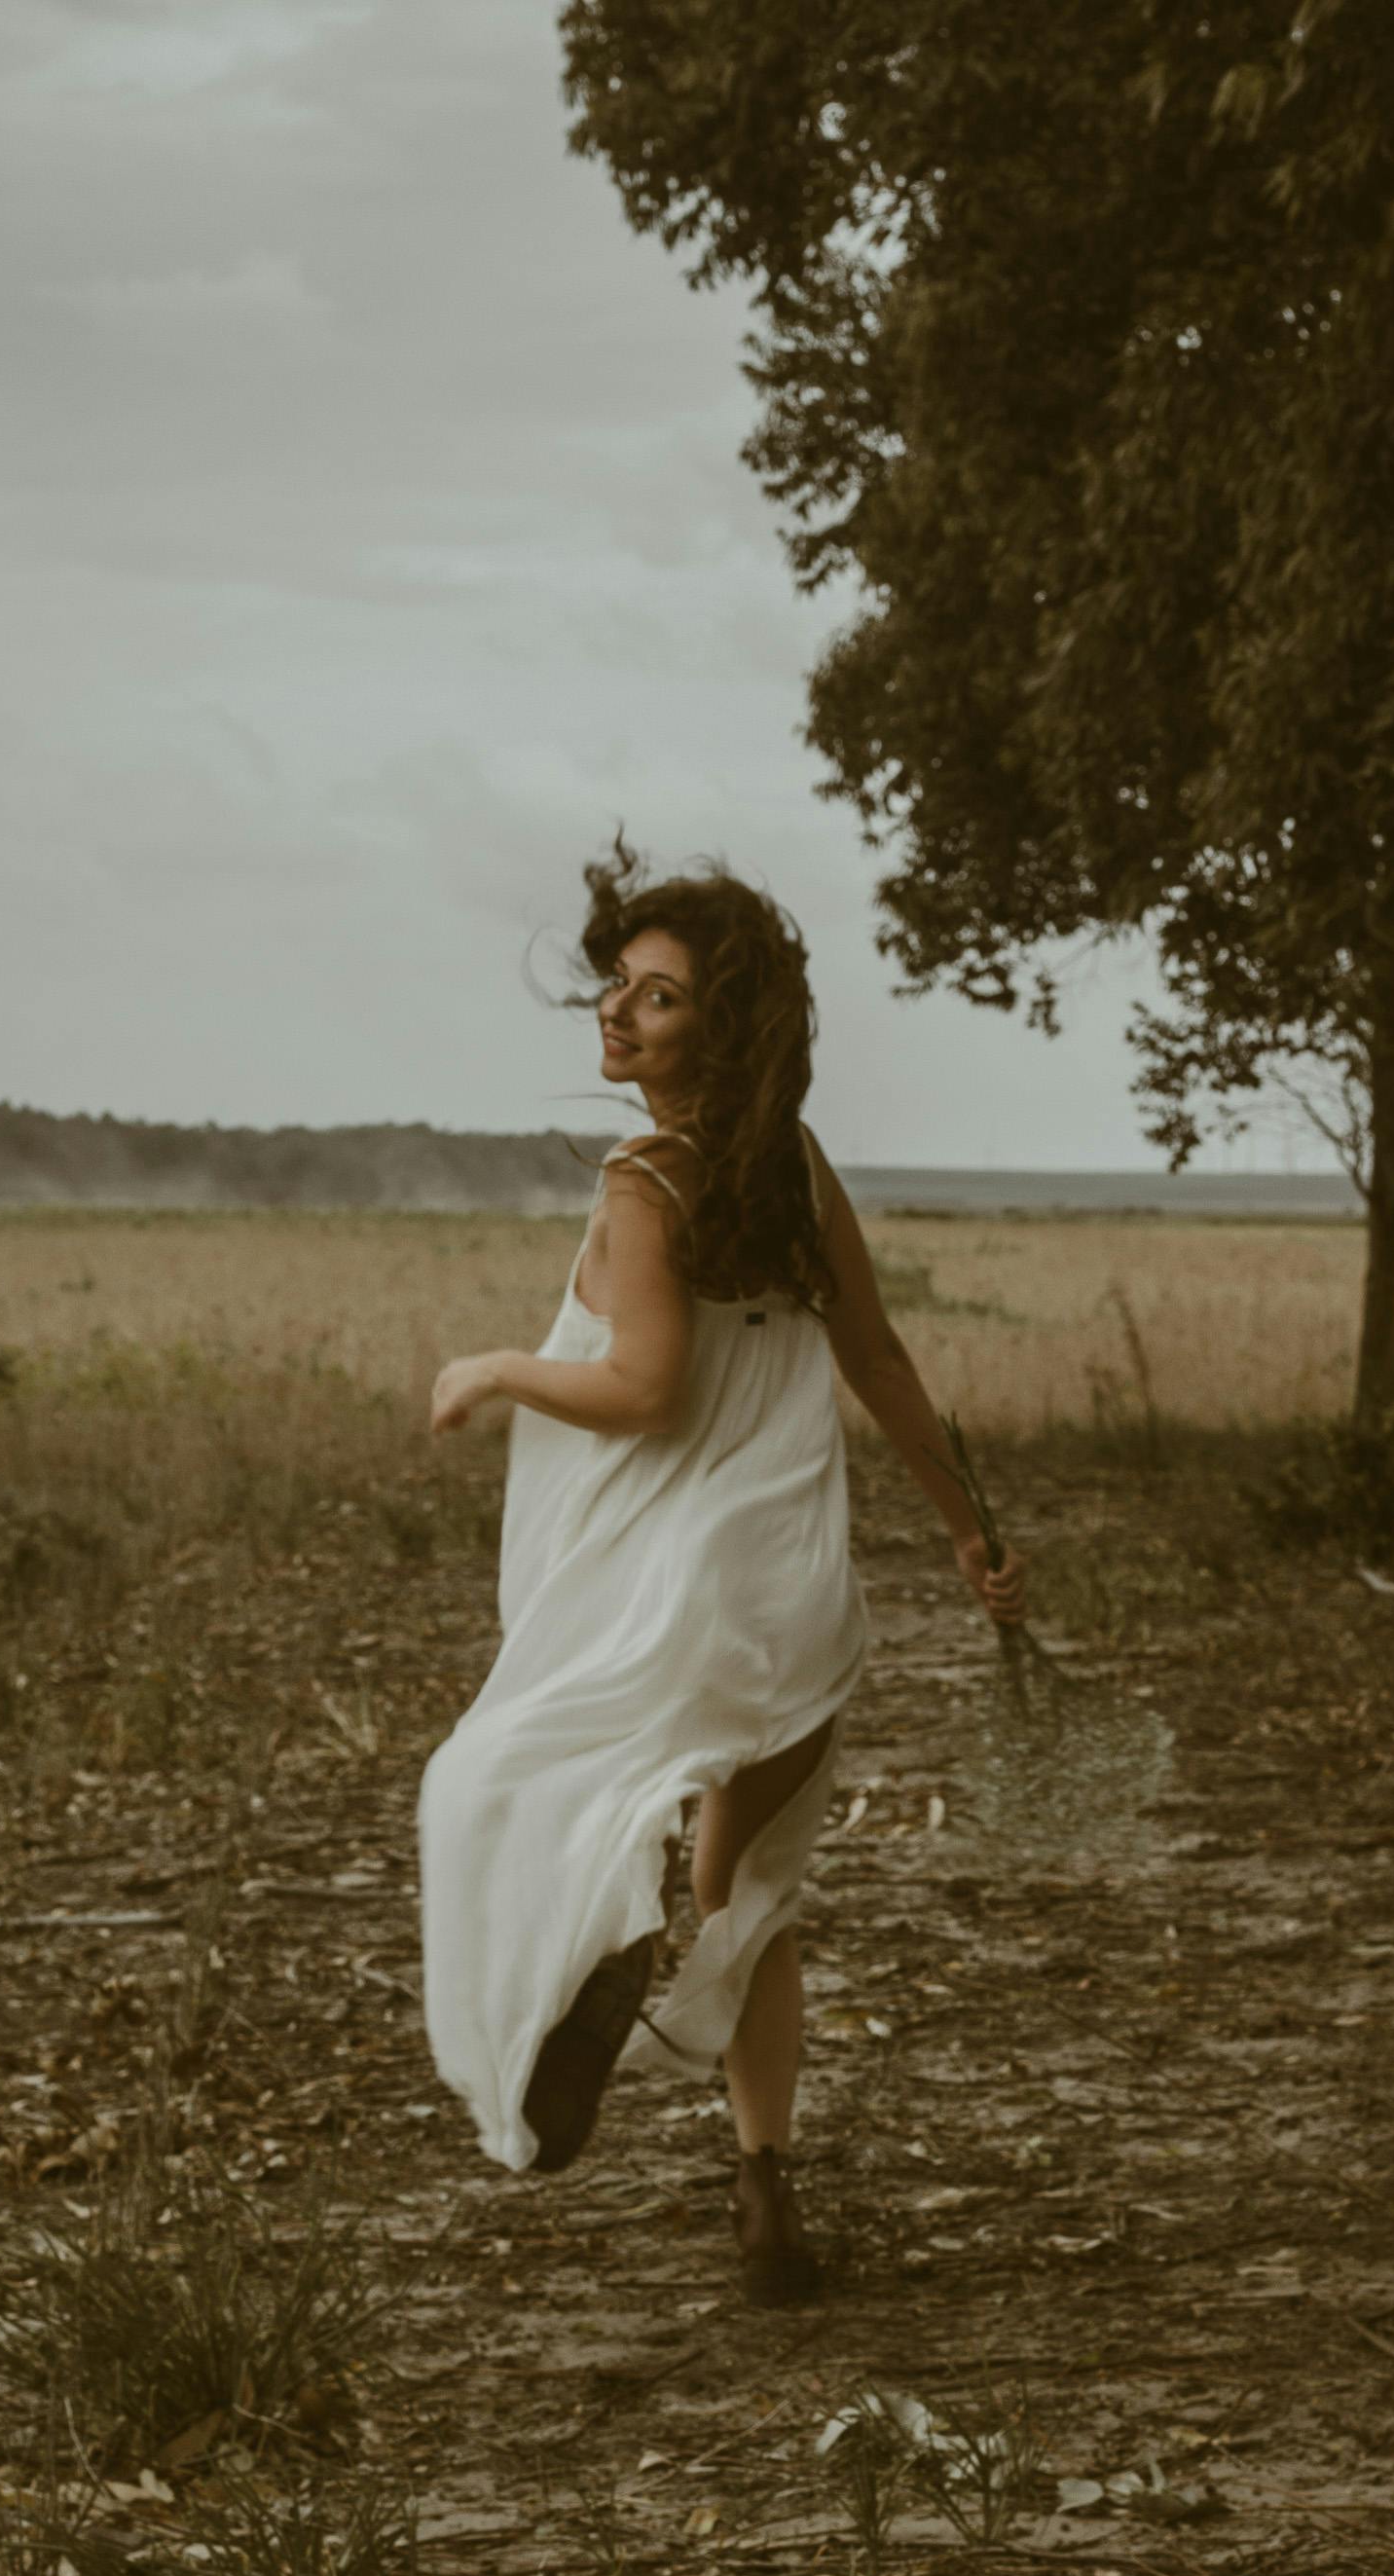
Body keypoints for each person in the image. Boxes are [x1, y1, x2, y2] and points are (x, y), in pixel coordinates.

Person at [418, 840, 1026, 2304]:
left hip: (674, 1588)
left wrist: (497, 1364)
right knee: (748, 1883)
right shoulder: (792, 1168)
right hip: (792, 1586)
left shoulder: (649, 1181)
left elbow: (641, 1387)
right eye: (616, 990)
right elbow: (876, 1357)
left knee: (497, 1785)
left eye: (660, 998)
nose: (617, 1018)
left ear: (722, 1027)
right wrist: (965, 1528)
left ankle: (602, 1963)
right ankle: (765, 2184)